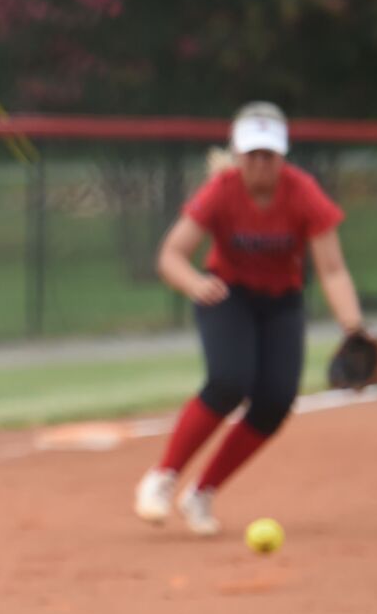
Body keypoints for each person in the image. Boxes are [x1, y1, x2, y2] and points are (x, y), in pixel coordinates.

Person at [133, 102, 364, 536]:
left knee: (275, 402)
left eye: (269, 155)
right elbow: (170, 255)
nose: (260, 164)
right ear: (238, 155)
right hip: (227, 295)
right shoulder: (221, 190)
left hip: (282, 302)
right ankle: (163, 478)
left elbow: (332, 269)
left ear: (283, 156)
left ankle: (201, 493)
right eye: (252, 154)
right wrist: (193, 282)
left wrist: (352, 326)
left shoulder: (302, 193)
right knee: (229, 381)